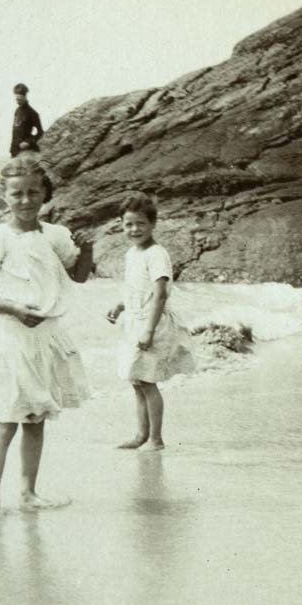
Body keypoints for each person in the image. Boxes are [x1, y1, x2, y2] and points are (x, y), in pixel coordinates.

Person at [0, 154, 93, 521]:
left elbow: (80, 276)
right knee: (6, 419)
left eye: (33, 193)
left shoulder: (56, 236)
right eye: (17, 193)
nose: (25, 200)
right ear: (3, 196)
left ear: (46, 194)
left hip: (44, 339)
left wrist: (87, 250)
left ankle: (27, 492)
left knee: (36, 418)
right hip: (11, 339)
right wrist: (13, 309)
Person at [106, 192, 197, 451]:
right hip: (136, 321)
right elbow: (137, 289)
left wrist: (148, 330)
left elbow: (159, 294)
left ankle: (156, 438)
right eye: (128, 224)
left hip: (152, 324)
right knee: (137, 380)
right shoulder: (132, 254)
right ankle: (141, 435)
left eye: (140, 224)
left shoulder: (157, 254)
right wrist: (120, 305)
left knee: (147, 381)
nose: (134, 229)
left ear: (153, 224)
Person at [10, 82, 43, 157]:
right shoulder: (17, 111)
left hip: (25, 152)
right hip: (14, 151)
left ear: (25, 96)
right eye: (16, 98)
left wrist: (28, 142)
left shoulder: (32, 113)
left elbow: (40, 133)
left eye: (19, 98)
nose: (17, 100)